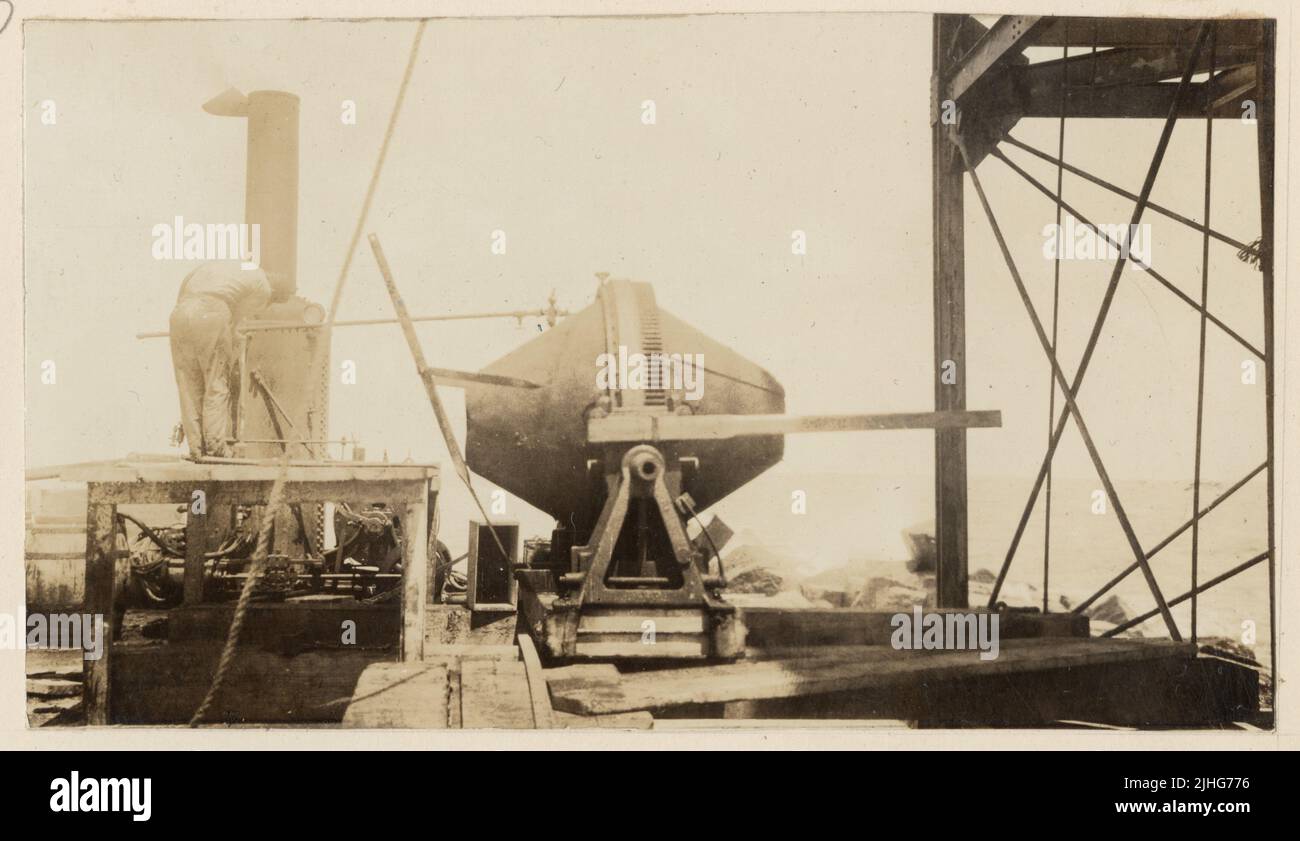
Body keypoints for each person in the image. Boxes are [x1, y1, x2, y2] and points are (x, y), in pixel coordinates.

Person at [169, 262, 290, 458]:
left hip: (179, 314)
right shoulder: (264, 286)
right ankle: (216, 447)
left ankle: (196, 448)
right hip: (211, 312)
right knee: (216, 380)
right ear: (275, 290)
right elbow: (238, 320)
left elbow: (182, 293)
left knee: (188, 384)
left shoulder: (222, 269)